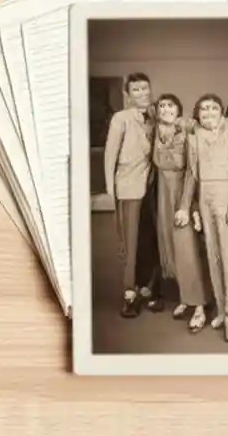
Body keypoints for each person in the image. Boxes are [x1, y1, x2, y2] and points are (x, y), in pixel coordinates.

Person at [182, 93, 228, 342]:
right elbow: (193, 174)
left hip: (226, 195)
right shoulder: (194, 139)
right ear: (197, 114)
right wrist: (195, 208)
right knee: (213, 255)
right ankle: (221, 308)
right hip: (205, 198)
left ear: (222, 112)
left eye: (213, 108)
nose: (208, 113)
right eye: (203, 109)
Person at [103, 72, 162, 318]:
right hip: (128, 187)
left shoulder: (157, 116)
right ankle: (130, 293)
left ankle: (149, 288)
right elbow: (110, 154)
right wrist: (110, 190)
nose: (142, 93)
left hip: (153, 188)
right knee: (131, 242)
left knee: (152, 240)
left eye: (145, 88)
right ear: (128, 95)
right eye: (136, 89)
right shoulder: (121, 118)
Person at [153, 94, 211, 334]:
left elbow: (191, 172)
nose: (166, 109)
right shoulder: (155, 131)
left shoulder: (188, 130)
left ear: (179, 109)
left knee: (187, 250)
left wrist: (187, 206)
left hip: (182, 194)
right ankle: (185, 298)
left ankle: (200, 306)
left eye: (170, 105)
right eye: (162, 105)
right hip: (163, 197)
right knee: (171, 248)